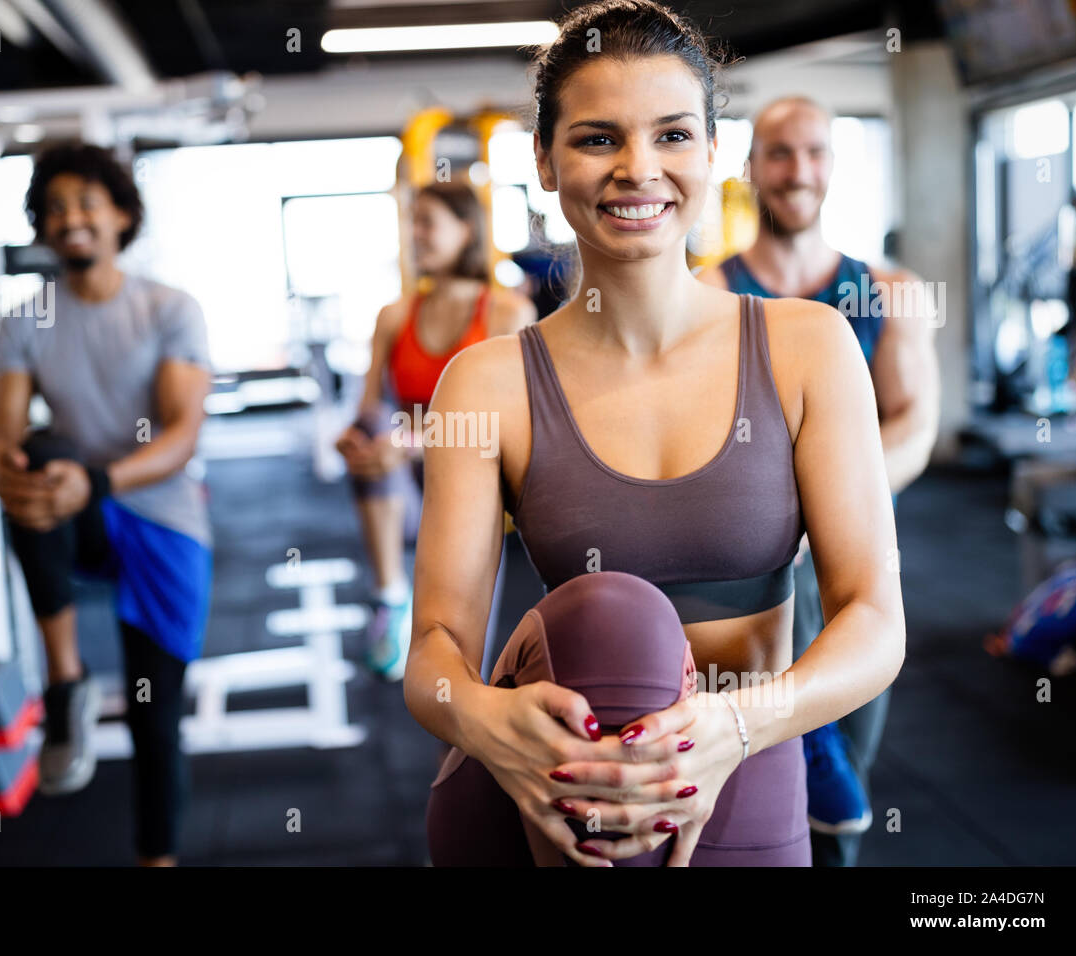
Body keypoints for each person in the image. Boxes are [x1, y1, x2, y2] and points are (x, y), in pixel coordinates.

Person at [403, 0, 905, 867]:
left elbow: (874, 621)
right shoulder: (486, 382)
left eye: (672, 136)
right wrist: (489, 721)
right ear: (546, 162)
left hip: (743, 757)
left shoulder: (805, 346)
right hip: (560, 779)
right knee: (612, 613)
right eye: (598, 139)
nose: (639, 169)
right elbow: (434, 656)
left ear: (712, 152)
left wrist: (739, 723)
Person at [697, 95, 940, 865]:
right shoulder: (705, 296)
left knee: (848, 757)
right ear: (750, 168)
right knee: (763, 768)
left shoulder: (889, 292)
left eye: (812, 152)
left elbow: (915, 428)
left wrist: (834, 514)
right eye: (778, 153)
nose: (797, 170)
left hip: (854, 567)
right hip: (750, 574)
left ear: (833, 165)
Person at [0, 143, 213, 866]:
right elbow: (1, 440)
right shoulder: (25, 319)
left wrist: (102, 482)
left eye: (85, 203)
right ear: (42, 229)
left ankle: (157, 859)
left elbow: (181, 435)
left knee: (155, 719)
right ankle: (65, 684)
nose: (69, 219)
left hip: (159, 512)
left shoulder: (169, 308)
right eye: (54, 208)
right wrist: (2, 471)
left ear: (121, 216)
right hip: (70, 508)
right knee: (39, 454)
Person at [335, 181, 535, 680]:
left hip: (479, 487)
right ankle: (388, 596)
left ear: (465, 230)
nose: (415, 234)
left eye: (427, 222)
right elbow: (367, 408)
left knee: (461, 671)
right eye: (412, 223)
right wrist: (356, 441)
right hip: (406, 488)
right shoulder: (395, 315)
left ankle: (465, 745)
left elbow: (502, 422)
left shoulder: (506, 312)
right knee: (376, 425)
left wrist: (407, 443)